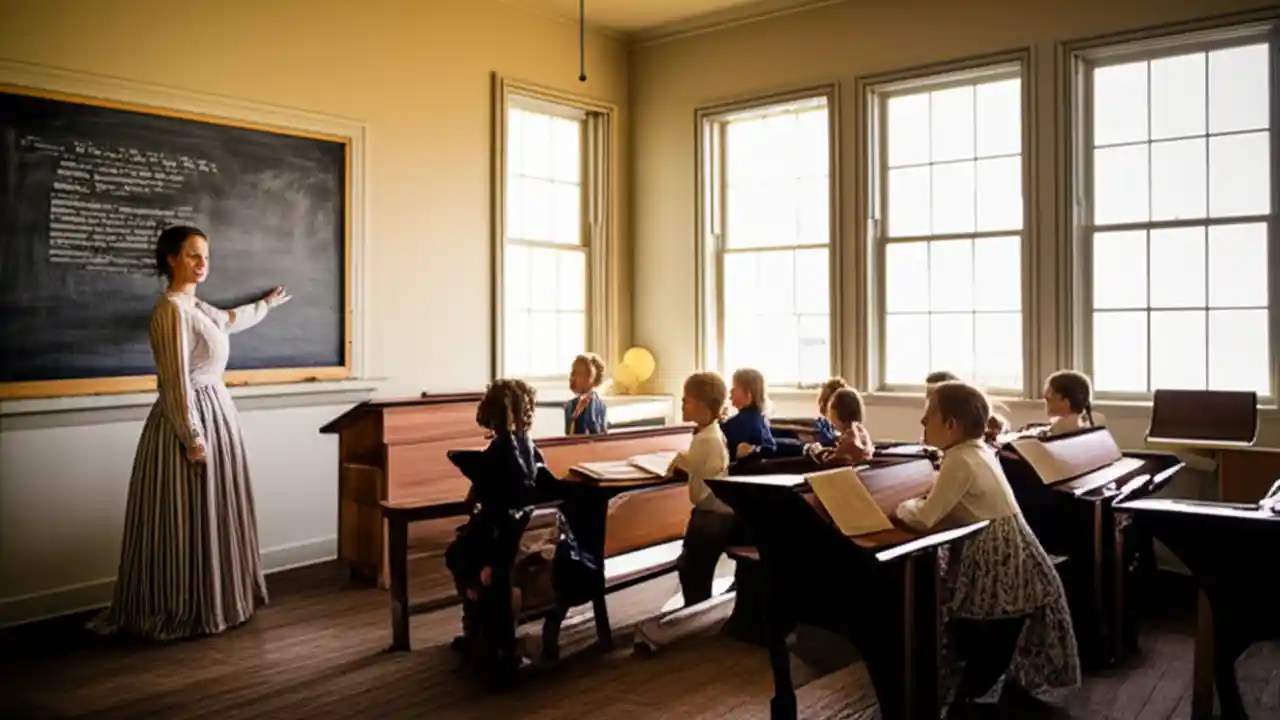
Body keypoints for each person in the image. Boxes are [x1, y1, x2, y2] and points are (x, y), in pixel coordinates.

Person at [89, 225, 290, 641]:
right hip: (190, 420)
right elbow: (174, 380)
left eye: (206, 257)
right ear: (172, 259)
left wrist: (266, 305)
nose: (202, 264)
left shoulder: (197, 307)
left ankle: (214, 599)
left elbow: (231, 320)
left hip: (216, 412)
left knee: (213, 510)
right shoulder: (171, 310)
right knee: (185, 513)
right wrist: (192, 437)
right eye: (193, 255)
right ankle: (183, 606)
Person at [896, 381, 1080, 711]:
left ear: (951, 424)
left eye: (929, 415)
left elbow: (924, 519)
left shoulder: (959, 460)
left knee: (960, 623)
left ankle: (962, 690)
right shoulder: (977, 450)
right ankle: (979, 685)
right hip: (1013, 551)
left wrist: (902, 506)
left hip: (994, 562)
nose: (922, 422)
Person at [670, 371, 736, 606]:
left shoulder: (705, 439)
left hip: (711, 517)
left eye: (686, 400)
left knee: (691, 568)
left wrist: (682, 464)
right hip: (720, 513)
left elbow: (698, 490)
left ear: (703, 405)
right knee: (692, 566)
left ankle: (696, 610)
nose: (682, 404)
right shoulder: (713, 432)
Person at [807, 387, 874, 466]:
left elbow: (830, 461)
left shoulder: (849, 439)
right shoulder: (860, 431)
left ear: (836, 414)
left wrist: (816, 451)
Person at [720, 368, 775, 462]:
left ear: (749, 394)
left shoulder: (741, 422)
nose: (730, 393)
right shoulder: (760, 419)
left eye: (734, 389)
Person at [1041, 370, 1105, 436]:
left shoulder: (1060, 428)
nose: (1046, 402)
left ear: (1066, 402)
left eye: (1049, 399)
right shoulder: (1083, 426)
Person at [564, 352, 607, 435]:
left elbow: (599, 431)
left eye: (578, 373)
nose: (572, 377)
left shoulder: (600, 406)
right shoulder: (569, 406)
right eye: (572, 373)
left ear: (593, 379)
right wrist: (575, 415)